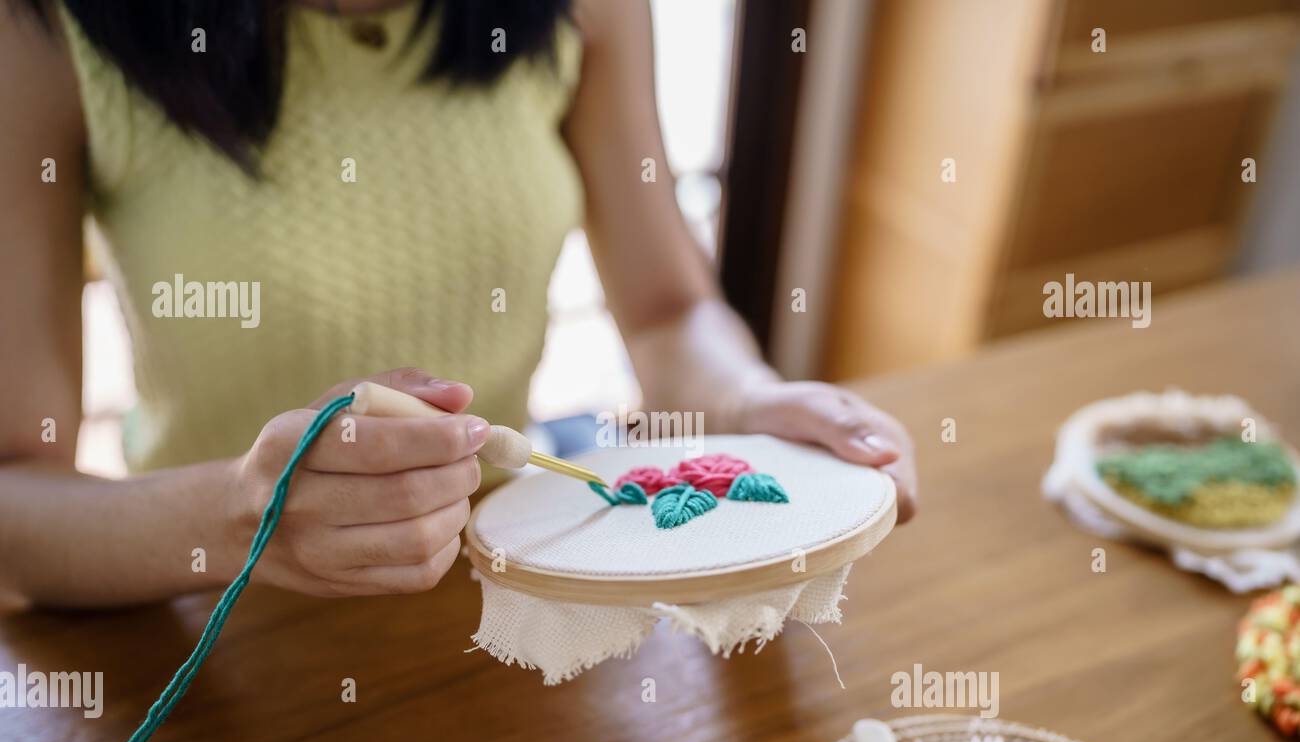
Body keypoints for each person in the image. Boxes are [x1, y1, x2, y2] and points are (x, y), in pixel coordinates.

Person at [0, 0, 917, 608]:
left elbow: (668, 312)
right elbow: (17, 506)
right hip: (212, 618)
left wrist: (750, 401)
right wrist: (241, 516)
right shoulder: (45, 31)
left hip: (515, 588)